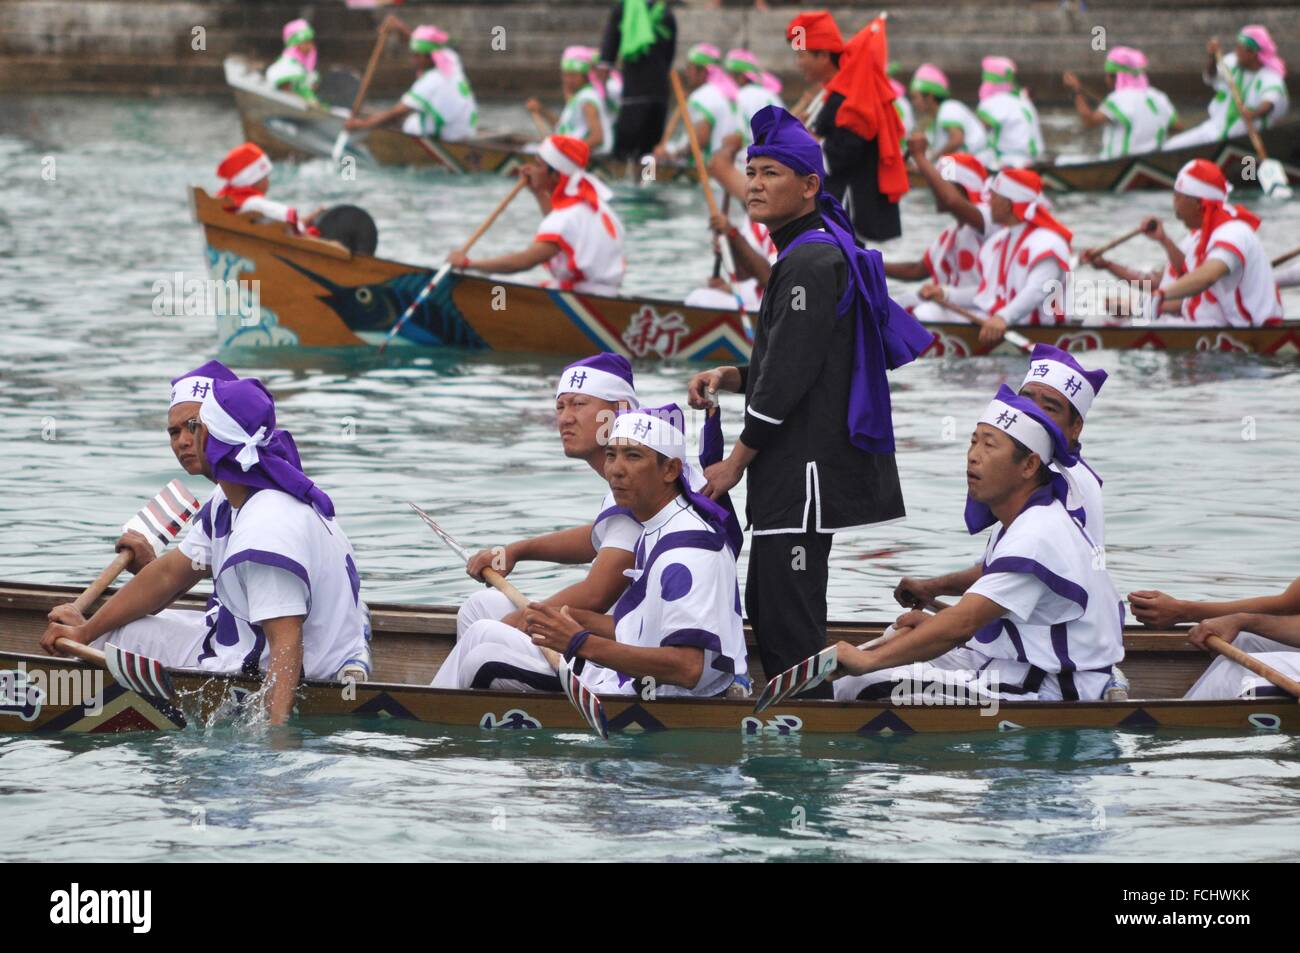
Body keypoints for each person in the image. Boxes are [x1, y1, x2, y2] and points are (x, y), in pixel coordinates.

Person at [685, 105, 930, 689]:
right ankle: (803, 720)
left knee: (787, 625)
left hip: (801, 476)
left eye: (771, 173)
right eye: (751, 172)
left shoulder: (811, 261)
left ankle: (811, 733)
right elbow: (799, 363)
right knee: (772, 611)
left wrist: (732, 465)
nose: (754, 185)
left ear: (810, 185)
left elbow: (789, 380)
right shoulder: (808, 253)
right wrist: (733, 375)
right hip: (793, 473)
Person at [42, 378, 372, 724]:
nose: (185, 441)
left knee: (105, 644)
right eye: (175, 431)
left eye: (195, 427)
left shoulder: (266, 527)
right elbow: (171, 574)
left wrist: (277, 745)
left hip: (307, 670)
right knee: (108, 633)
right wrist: (85, 631)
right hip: (298, 646)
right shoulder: (238, 498)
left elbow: (286, 646)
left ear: (211, 439)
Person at [432, 404, 749, 698]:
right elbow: (642, 629)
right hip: (623, 673)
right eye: (612, 455)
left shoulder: (688, 551)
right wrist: (573, 619)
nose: (615, 470)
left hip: (655, 693)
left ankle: (427, 725)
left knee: (481, 646)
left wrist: (578, 642)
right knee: (482, 612)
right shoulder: (656, 524)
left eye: (633, 456)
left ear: (670, 470)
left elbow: (688, 668)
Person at [831, 385, 1124, 703]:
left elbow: (964, 622)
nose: (973, 457)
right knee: (893, 638)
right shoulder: (1026, 519)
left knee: (860, 684)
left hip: (1050, 687)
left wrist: (869, 662)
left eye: (989, 446)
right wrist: (931, 620)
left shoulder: (1038, 534)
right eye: (973, 442)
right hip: (1012, 665)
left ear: (1028, 466)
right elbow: (978, 613)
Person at [895, 347, 1108, 611]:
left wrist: (943, 611)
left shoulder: (1072, 484)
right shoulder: (1025, 468)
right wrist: (931, 590)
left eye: (1050, 408)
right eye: (1027, 400)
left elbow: (1018, 567)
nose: (1033, 414)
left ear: (1076, 427)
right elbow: (998, 568)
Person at [455, 354, 642, 638]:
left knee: (487, 633)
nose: (565, 418)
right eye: (560, 406)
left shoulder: (642, 484)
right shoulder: (635, 473)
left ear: (620, 410)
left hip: (635, 658)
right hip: (624, 633)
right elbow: (600, 536)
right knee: (479, 607)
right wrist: (517, 550)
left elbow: (595, 596)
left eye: (579, 404)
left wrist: (522, 620)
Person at [448, 135, 625, 295]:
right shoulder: (591, 202)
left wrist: (469, 265)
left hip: (584, 296)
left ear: (556, 175)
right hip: (602, 291)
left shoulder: (566, 217)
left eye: (538, 165)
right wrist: (539, 193)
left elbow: (524, 261)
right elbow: (562, 233)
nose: (531, 169)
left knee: (498, 285)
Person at [787, 11, 907, 242]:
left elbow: (844, 153)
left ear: (822, 55)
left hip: (845, 212)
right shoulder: (832, 93)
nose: (798, 64)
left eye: (801, 56)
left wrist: (807, 141)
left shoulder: (847, 96)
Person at [918, 168, 1073, 345]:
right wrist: (946, 293)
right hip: (1001, 323)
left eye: (993, 196)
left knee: (927, 316)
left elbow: (1037, 290)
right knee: (927, 312)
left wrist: (1003, 318)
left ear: (1008, 204)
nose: (988, 202)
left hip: (1037, 329)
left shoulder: (1048, 242)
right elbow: (987, 293)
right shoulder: (998, 241)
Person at [1145, 159, 1283, 326]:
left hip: (1252, 337)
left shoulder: (1234, 232)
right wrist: (1139, 306)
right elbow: (1186, 277)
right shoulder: (1201, 236)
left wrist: (1160, 295)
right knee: (1115, 319)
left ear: (1197, 203)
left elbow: (1207, 277)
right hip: (1213, 330)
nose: (1174, 204)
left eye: (1177, 196)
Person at [887, 138, 991, 319]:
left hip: (988, 313)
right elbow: (915, 270)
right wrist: (863, 261)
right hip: (957, 307)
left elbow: (951, 201)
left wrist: (920, 157)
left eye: (941, 186)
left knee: (926, 314)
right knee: (899, 302)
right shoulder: (951, 234)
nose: (935, 193)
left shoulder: (988, 221)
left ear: (963, 190)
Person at [345, 23, 478, 142]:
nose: (412, 60)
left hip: (448, 137)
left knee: (406, 123)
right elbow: (420, 43)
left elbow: (396, 113)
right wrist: (399, 28)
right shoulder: (450, 58)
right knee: (410, 118)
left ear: (429, 56)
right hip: (467, 130)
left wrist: (361, 125)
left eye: (416, 56)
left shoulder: (430, 82)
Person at [1165, 27, 1288, 150]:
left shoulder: (1270, 77)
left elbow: (1269, 103)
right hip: (1214, 129)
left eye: (1241, 49)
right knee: (1169, 146)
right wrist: (1212, 58)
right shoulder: (1232, 62)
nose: (1237, 52)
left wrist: (1253, 114)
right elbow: (1210, 77)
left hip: (1243, 139)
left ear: (1253, 53)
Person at [1063, 47, 1178, 158]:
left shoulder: (1117, 99)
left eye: (1107, 75)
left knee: (1063, 161)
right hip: (1153, 160)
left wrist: (1076, 91)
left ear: (1115, 77)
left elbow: (1089, 122)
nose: (1105, 79)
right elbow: (1177, 127)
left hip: (1117, 164)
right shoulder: (1159, 96)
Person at [598, 0, 677, 159]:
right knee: (649, 151)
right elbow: (670, 56)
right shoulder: (665, 12)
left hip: (634, 94)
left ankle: (623, 176)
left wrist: (602, 84)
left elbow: (609, 48)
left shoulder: (624, 8)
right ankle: (648, 179)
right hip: (659, 94)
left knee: (624, 149)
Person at [655, 43, 740, 164]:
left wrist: (671, 156)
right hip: (731, 165)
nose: (686, 73)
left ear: (703, 72)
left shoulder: (702, 97)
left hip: (710, 170)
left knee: (648, 161)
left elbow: (699, 142)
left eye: (690, 68)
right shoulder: (726, 92)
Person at [216, 142, 322, 236]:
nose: (268, 181)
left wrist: (308, 218)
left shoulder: (225, 200)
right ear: (254, 179)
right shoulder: (253, 204)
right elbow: (288, 218)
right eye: (265, 176)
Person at [527, 46, 614, 156]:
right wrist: (541, 110)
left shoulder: (588, 100)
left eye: (573, 76)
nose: (568, 80)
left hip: (588, 156)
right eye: (565, 75)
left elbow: (597, 138)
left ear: (584, 76)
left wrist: (566, 152)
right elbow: (563, 127)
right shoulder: (578, 96)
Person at [975, 56, 1045, 169]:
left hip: (1007, 162)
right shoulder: (1023, 101)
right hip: (1034, 159)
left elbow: (978, 135)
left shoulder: (991, 102)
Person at [909, 63, 987, 159]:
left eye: (915, 97)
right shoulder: (934, 119)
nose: (913, 103)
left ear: (929, 97)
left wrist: (932, 160)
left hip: (977, 165)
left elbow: (957, 139)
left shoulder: (949, 108)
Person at [726, 48, 784, 137]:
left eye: (731, 75)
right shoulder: (770, 94)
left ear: (741, 76)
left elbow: (740, 136)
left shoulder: (742, 95)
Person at [266, 18, 321, 104]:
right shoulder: (287, 66)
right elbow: (287, 97)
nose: (311, 46)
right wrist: (308, 102)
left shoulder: (304, 67)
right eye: (306, 42)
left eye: (311, 42)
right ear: (296, 44)